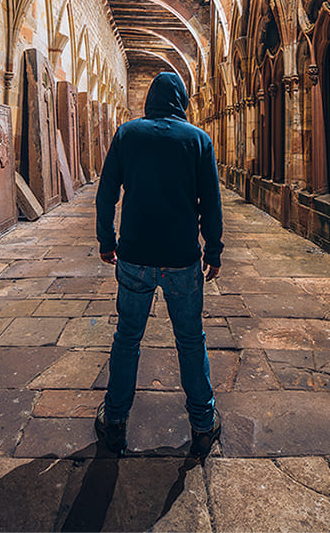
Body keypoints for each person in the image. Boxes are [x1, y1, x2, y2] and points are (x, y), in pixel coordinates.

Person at [95, 71, 224, 459]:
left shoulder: (127, 134)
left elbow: (105, 194)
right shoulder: (199, 140)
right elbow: (211, 204)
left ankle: (115, 423)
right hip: (183, 259)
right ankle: (202, 424)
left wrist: (106, 241)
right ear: (182, 100)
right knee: (190, 340)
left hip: (134, 255)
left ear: (150, 99)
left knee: (127, 339)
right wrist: (213, 251)